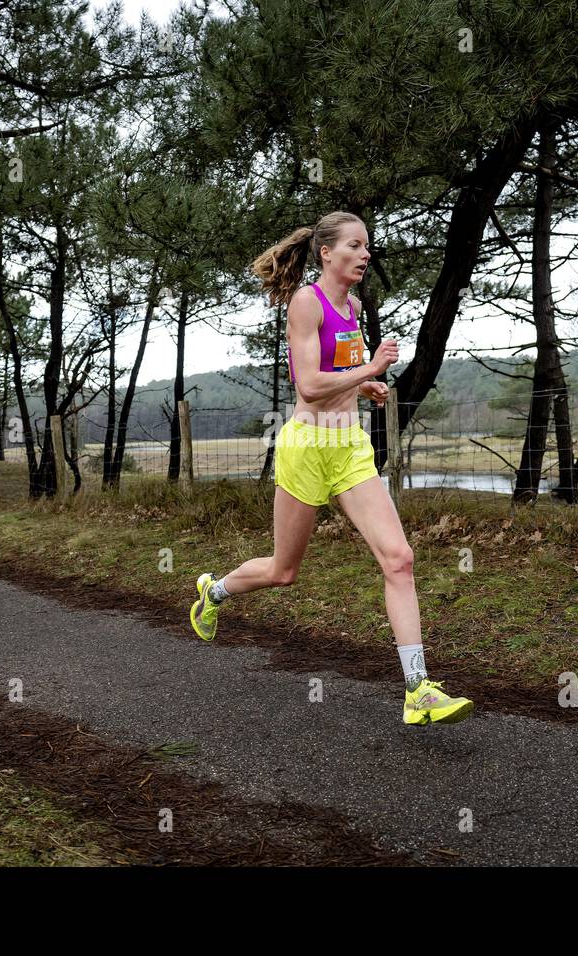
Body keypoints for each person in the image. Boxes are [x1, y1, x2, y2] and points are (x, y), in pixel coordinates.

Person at [189, 211, 474, 726]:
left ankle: (418, 691)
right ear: (326, 253)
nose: (366, 254)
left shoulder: (356, 306)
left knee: (399, 559)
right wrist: (370, 369)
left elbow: (337, 372)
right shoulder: (306, 302)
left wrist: (364, 385)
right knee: (284, 571)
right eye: (356, 245)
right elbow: (309, 386)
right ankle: (214, 591)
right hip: (306, 449)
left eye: (368, 246)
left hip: (349, 449)